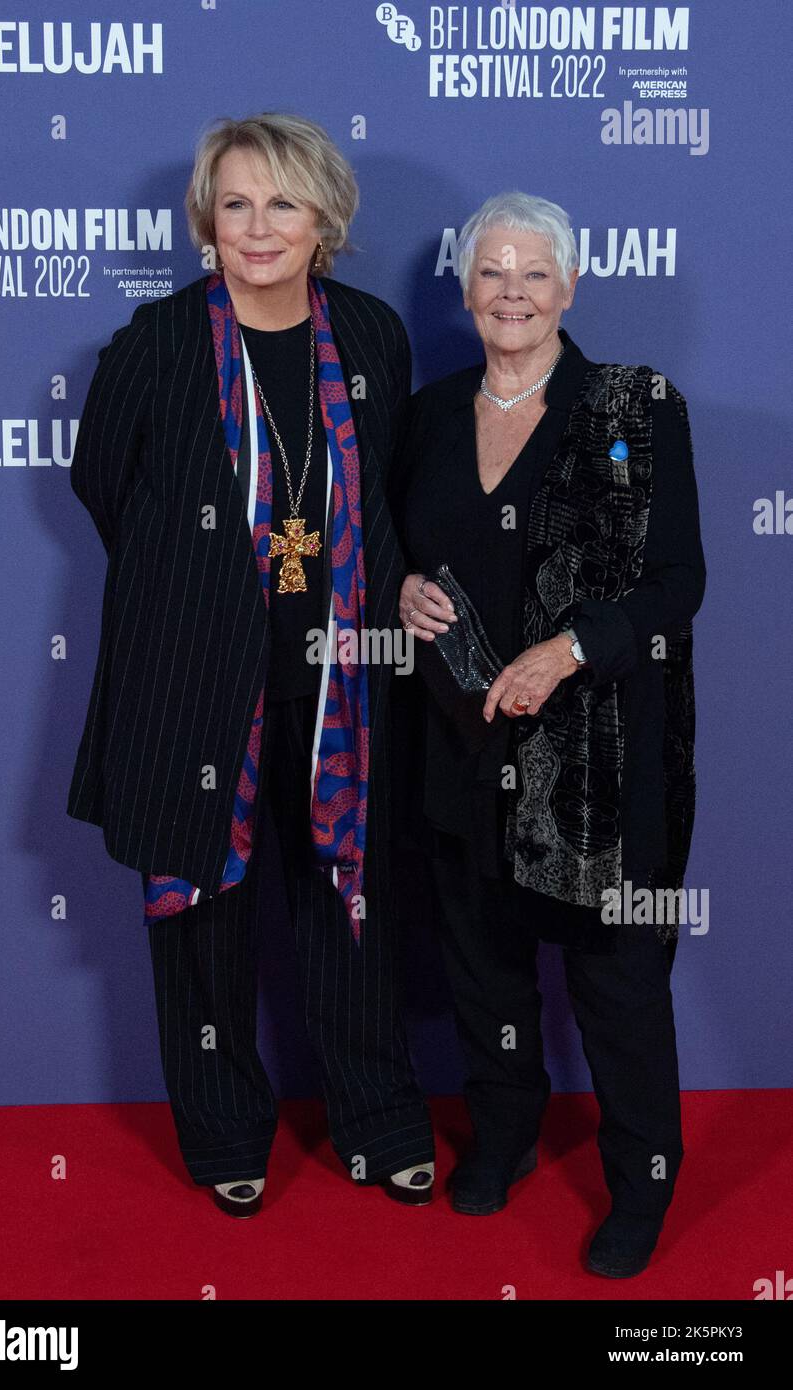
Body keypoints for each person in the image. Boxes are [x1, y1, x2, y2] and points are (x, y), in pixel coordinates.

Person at [66, 113, 434, 1217]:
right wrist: (206, 588)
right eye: (235, 203)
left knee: (348, 902)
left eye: (281, 202)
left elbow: (384, 491)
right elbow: (104, 489)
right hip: (196, 682)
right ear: (205, 222)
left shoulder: (369, 337)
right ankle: (226, 1130)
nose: (258, 226)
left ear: (323, 216)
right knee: (202, 913)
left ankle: (375, 1119)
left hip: (339, 680)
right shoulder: (158, 342)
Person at [394, 190, 705, 1276]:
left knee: (617, 989)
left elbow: (678, 581)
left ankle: (639, 1186)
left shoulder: (630, 406)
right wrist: (403, 596)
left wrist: (569, 649)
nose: (512, 291)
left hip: (597, 759)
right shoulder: (429, 414)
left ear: (569, 287)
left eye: (534, 273)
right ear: (464, 289)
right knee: (482, 970)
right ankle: (504, 1139)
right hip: (461, 742)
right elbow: (405, 547)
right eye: (491, 272)